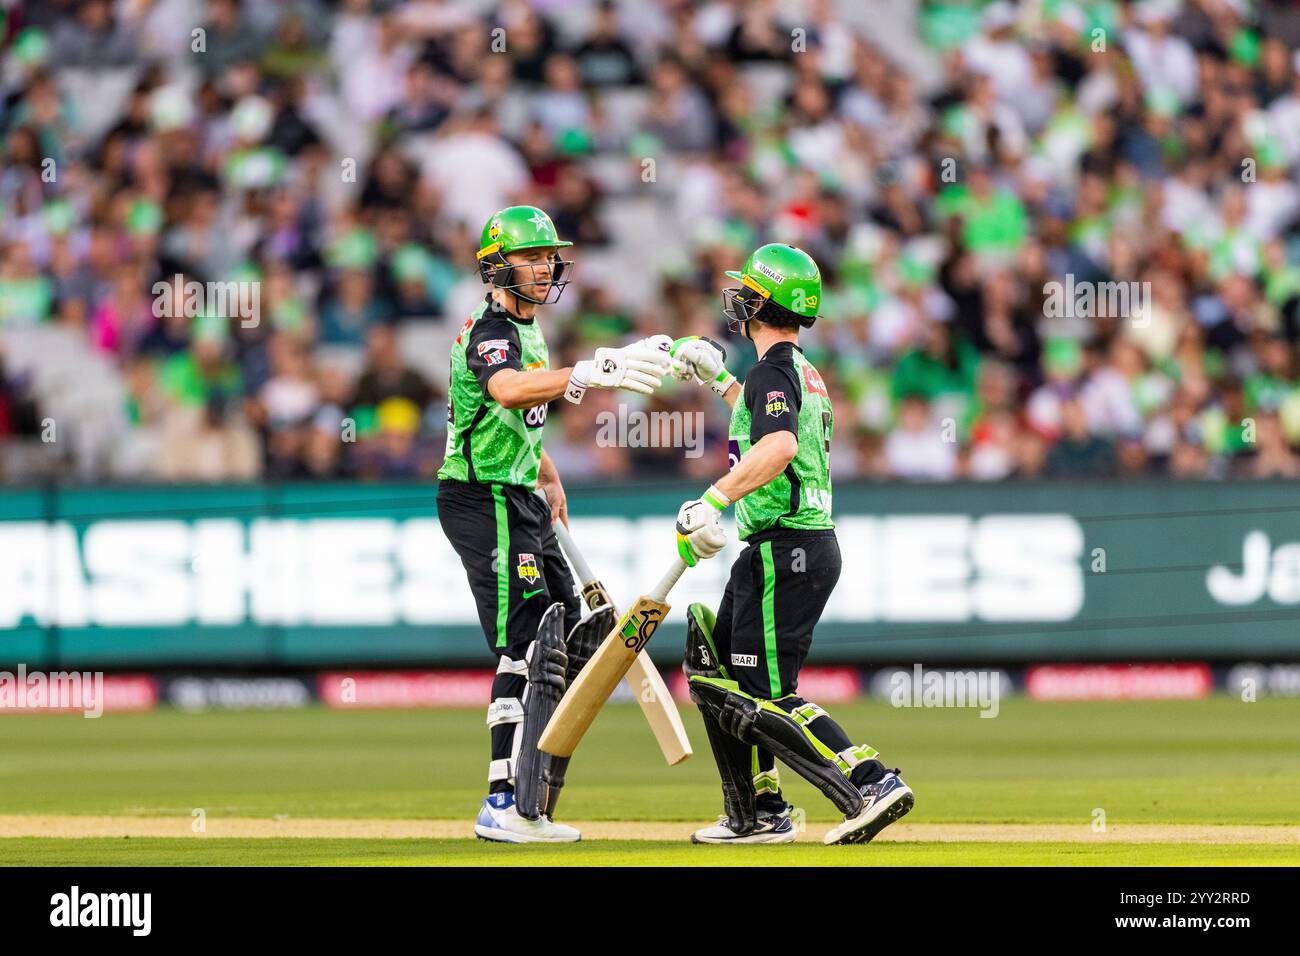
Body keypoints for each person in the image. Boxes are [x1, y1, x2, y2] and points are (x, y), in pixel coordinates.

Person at [435, 205, 672, 843]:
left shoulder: (530, 329)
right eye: (530, 257)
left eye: (548, 257)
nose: (544, 268)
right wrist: (589, 372)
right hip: (483, 499)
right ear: (495, 266)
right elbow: (508, 391)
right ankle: (502, 803)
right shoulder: (492, 331)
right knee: (526, 639)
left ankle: (533, 800)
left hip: (521, 494)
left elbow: (507, 421)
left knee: (566, 634)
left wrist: (546, 470)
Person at [670, 243, 914, 844]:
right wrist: (718, 379)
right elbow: (765, 422)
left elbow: (776, 448)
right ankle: (759, 811)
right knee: (717, 671)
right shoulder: (791, 370)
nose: (738, 297)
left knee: (767, 694)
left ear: (760, 301)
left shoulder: (775, 371)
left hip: (789, 547)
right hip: (783, 548)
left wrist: (715, 498)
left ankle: (870, 781)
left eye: (746, 289)